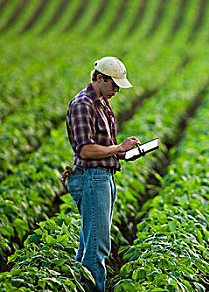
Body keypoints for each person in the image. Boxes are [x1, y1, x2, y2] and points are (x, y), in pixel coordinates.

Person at [65, 56, 140, 291]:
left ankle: (80, 286)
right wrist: (118, 148)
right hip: (91, 178)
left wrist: (123, 152)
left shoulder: (102, 103)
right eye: (114, 84)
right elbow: (86, 150)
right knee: (97, 247)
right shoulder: (82, 104)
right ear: (99, 78)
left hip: (103, 177)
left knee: (89, 244)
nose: (117, 90)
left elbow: (102, 145)